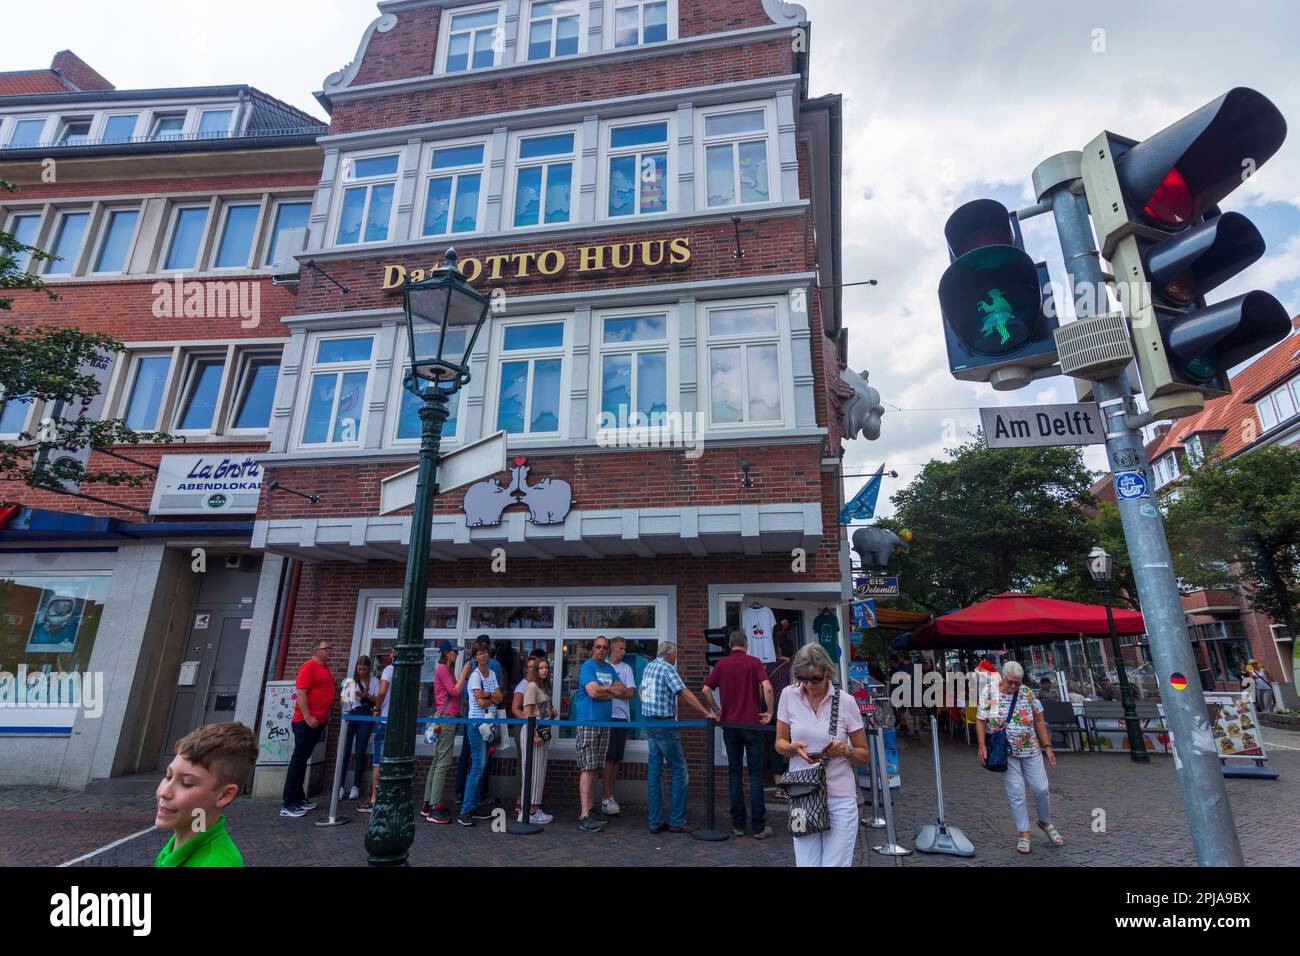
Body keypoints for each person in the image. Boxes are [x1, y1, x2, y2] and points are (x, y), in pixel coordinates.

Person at [775, 644, 869, 867]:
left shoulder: (845, 701)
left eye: (814, 679)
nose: (808, 685)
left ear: (827, 672)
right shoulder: (789, 695)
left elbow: (864, 754)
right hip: (802, 795)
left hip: (839, 796)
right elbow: (779, 743)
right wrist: (792, 748)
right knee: (806, 864)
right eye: (802, 678)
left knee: (835, 864)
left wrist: (846, 751)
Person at [976, 660, 1062, 854]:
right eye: (1011, 682)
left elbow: (1039, 719)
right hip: (1007, 751)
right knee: (1017, 793)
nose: (1014, 686)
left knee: (1041, 788)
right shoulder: (990, 692)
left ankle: (1044, 821)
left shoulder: (1027, 692)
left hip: (1031, 748)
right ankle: (1024, 833)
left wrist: (1047, 746)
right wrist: (981, 745)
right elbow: (981, 720)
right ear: (1003, 676)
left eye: (1017, 682)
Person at [702, 629, 775, 839]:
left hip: (730, 726)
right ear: (746, 644)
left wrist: (717, 710)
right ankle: (759, 827)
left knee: (734, 773)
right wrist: (769, 712)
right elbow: (768, 687)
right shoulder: (754, 662)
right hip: (752, 724)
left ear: (730, 645)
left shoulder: (721, 664)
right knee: (755, 774)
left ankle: (738, 825)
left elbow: (706, 689)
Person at [155, 722, 258, 867]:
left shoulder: (218, 863)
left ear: (224, 795)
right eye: (168, 776)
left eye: (187, 783)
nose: (165, 792)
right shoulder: (183, 839)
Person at [641, 642, 714, 834]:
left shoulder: (649, 666)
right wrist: (705, 712)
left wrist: (650, 706)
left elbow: (642, 692)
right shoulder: (667, 668)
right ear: (671, 655)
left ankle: (655, 821)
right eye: (675, 655)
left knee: (655, 772)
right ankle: (676, 820)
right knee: (680, 769)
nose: (676, 658)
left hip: (649, 722)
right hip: (664, 724)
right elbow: (684, 693)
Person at [573, 636, 626, 832]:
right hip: (588, 721)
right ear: (592, 648)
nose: (602, 650)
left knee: (596, 768)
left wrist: (606, 689)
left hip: (605, 722)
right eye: (598, 646)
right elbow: (593, 693)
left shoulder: (609, 669)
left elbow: (624, 690)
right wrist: (610, 691)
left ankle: (591, 809)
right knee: (588, 767)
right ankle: (584, 814)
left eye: (604, 647)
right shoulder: (588, 666)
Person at [281, 639, 333, 817]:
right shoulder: (309, 666)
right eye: (326, 649)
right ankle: (289, 803)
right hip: (306, 722)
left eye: (330, 649)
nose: (329, 651)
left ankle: (299, 797)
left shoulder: (324, 668)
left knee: (303, 759)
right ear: (316, 651)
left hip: (319, 720)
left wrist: (325, 714)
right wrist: (308, 716)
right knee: (299, 759)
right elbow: (301, 693)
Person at [453, 637, 505, 811]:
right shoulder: (474, 676)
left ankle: (473, 805)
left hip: (488, 723)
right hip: (476, 724)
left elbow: (500, 697)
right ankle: (466, 808)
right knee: (477, 765)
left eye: (485, 652)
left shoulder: (491, 673)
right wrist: (491, 697)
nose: (483, 655)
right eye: (480, 653)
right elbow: (480, 703)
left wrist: (487, 694)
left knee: (481, 765)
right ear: (475, 657)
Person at [421, 642, 463, 824]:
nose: (458, 654)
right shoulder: (444, 670)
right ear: (447, 653)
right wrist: (465, 673)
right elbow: (455, 691)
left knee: (437, 761)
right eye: (455, 652)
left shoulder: (446, 669)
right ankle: (435, 808)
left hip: (445, 717)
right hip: (447, 718)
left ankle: (428, 803)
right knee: (443, 762)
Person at [518, 656, 557, 824]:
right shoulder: (532, 687)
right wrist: (533, 735)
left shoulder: (544, 687)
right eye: (541, 668)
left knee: (539, 772)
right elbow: (527, 713)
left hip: (543, 732)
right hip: (533, 733)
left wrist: (551, 713)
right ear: (535, 670)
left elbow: (542, 710)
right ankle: (529, 810)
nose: (544, 670)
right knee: (532, 772)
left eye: (546, 668)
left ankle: (534, 808)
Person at [602, 637, 637, 816]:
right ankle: (606, 797)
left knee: (616, 758)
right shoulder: (603, 667)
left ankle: (610, 795)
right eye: (621, 649)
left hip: (622, 717)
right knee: (608, 757)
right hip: (606, 716)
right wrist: (617, 691)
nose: (624, 652)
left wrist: (609, 690)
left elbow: (630, 693)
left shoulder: (626, 669)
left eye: (625, 649)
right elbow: (596, 691)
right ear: (613, 649)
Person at [358, 649, 394, 813]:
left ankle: (375, 798)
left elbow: (382, 690)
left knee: (378, 761)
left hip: (386, 719)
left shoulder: (389, 669)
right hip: (398, 722)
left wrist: (377, 708)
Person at [339, 655, 378, 801]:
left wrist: (366, 696)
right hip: (351, 713)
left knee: (360, 751)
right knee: (345, 750)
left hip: (365, 715)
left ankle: (355, 785)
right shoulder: (350, 681)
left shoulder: (373, 681)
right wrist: (348, 695)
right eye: (359, 669)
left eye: (364, 669)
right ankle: (341, 785)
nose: (361, 671)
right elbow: (342, 702)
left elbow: (378, 700)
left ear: (368, 669)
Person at [764, 639, 795, 787]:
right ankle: (792, 778)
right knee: (793, 743)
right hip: (792, 711)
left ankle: (778, 784)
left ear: (779, 650)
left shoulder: (769, 667)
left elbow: (764, 687)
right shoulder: (795, 669)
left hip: (775, 709)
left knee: (774, 745)